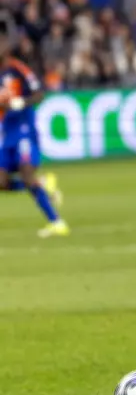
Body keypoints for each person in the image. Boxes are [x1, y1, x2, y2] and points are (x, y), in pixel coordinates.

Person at [0, 25, 67, 237]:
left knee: (27, 174)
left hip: (23, 130)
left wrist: (22, 102)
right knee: (1, 182)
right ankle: (44, 183)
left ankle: (57, 223)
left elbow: (39, 93)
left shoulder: (17, 69)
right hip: (5, 132)